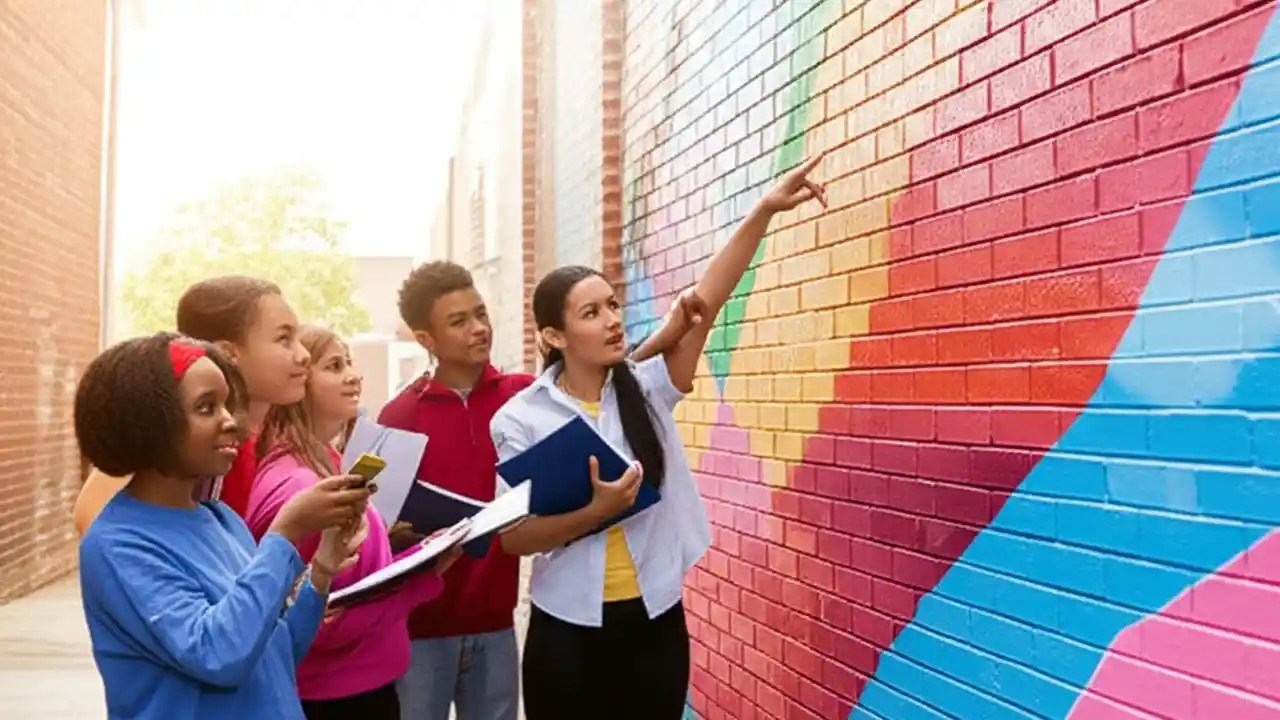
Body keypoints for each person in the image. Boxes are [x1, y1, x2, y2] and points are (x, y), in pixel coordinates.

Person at [490, 156, 827, 720]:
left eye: (613, 306)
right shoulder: (521, 418)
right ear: (554, 335)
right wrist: (595, 513)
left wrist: (763, 212)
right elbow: (513, 539)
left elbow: (705, 304)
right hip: (566, 631)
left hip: (653, 625)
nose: (612, 320)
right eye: (591, 313)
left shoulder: (646, 389)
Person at [379, 261, 704, 720]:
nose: (479, 328)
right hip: (423, 624)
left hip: (495, 621)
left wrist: (667, 335)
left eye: (481, 314)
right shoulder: (399, 415)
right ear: (425, 339)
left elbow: (610, 379)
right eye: (459, 321)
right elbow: (382, 525)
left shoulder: (526, 396)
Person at [75, 332, 373, 719]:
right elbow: (218, 654)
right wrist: (284, 533)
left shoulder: (222, 519)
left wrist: (322, 571)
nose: (230, 420)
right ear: (148, 422)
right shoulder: (118, 544)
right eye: (206, 407)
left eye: (227, 405)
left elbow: (273, 650)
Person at [245, 325, 461, 719]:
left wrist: (421, 556)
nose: (353, 376)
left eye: (349, 363)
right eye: (334, 366)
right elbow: (318, 623)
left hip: (357, 686)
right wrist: (417, 581)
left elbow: (359, 581)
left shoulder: (326, 461)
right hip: (335, 697)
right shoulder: (300, 485)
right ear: (301, 381)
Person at [72, 275, 315, 534]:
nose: (304, 355)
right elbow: (91, 515)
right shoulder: (180, 435)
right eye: (283, 339)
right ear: (228, 353)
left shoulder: (258, 441)